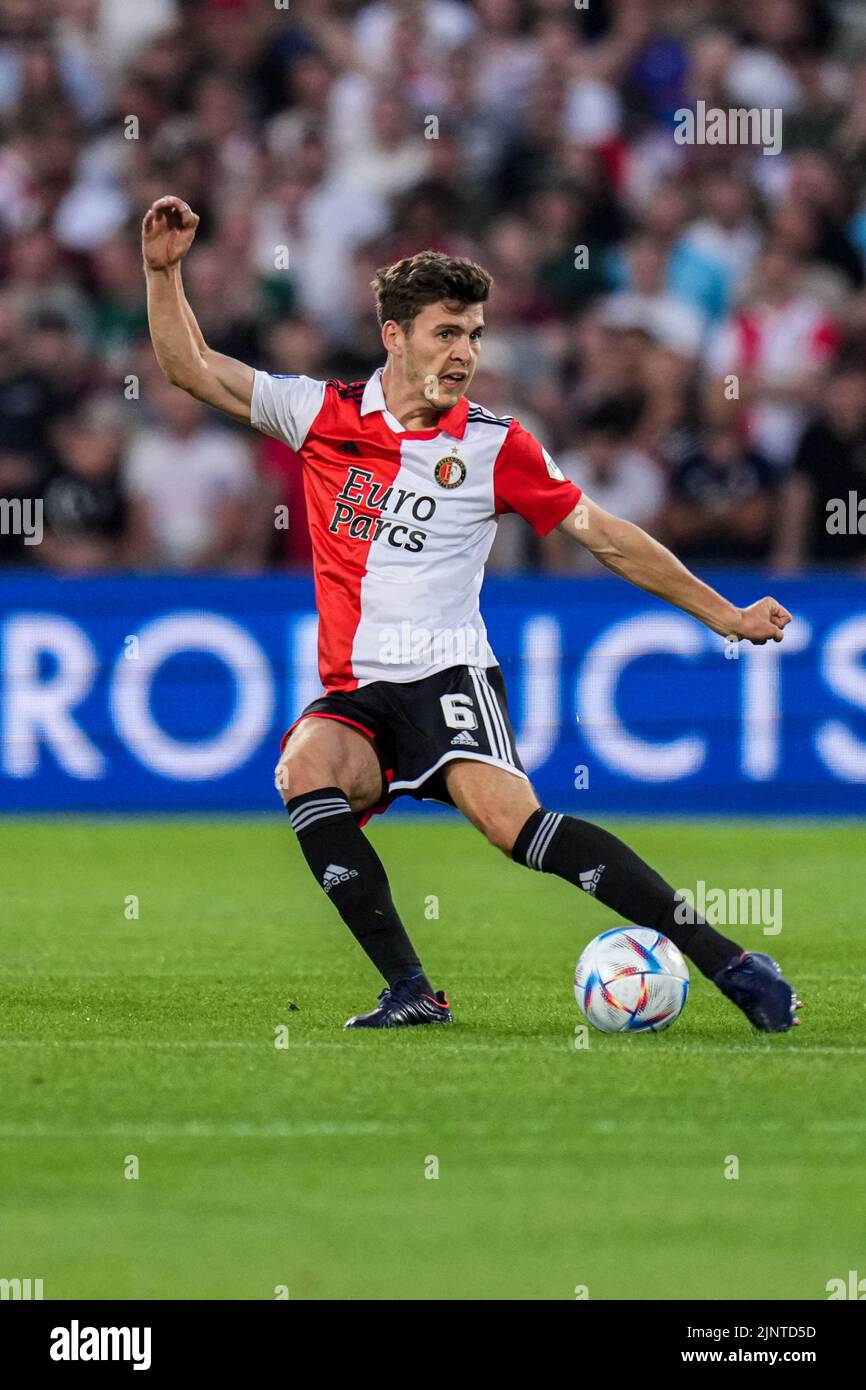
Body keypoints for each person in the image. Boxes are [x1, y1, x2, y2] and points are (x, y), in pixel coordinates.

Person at [142, 194, 801, 1033]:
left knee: (510, 825)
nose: (465, 353)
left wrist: (724, 615)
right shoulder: (321, 415)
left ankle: (731, 964)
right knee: (304, 766)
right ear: (395, 336)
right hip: (358, 690)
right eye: (446, 333)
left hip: (447, 671)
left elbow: (606, 536)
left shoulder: (495, 445)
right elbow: (188, 366)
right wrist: (163, 272)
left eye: (476, 335)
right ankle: (412, 990)